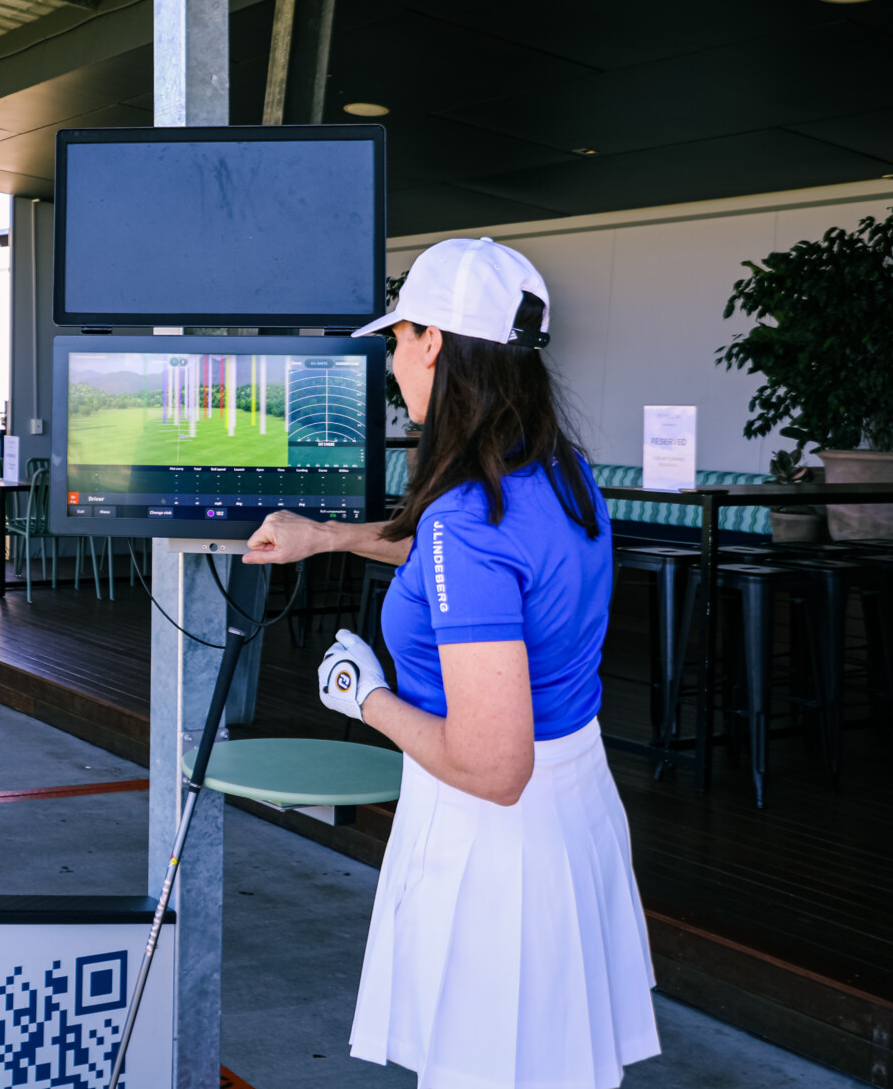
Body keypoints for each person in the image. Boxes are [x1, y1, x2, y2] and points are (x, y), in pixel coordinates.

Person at [242, 238, 658, 1087]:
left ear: (434, 341)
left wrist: (365, 698)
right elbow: (452, 556)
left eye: (396, 339)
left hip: (493, 842)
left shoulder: (467, 519)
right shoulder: (556, 475)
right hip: (573, 813)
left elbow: (493, 765)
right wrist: (326, 537)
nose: (392, 361)